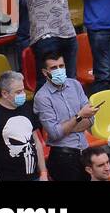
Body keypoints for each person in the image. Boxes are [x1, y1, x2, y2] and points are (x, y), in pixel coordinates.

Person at [33, 50, 99, 181]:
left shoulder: (75, 85)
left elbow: (91, 119)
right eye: (53, 68)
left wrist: (66, 127)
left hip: (84, 152)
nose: (59, 70)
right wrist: (79, 116)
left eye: (61, 66)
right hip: (63, 158)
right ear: (45, 73)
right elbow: (55, 134)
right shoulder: (42, 97)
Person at [0, 71, 47, 181]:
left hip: (35, 177)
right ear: (4, 93)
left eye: (23, 90)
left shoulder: (27, 108)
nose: (23, 94)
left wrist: (43, 173)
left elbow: (36, 142)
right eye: (18, 92)